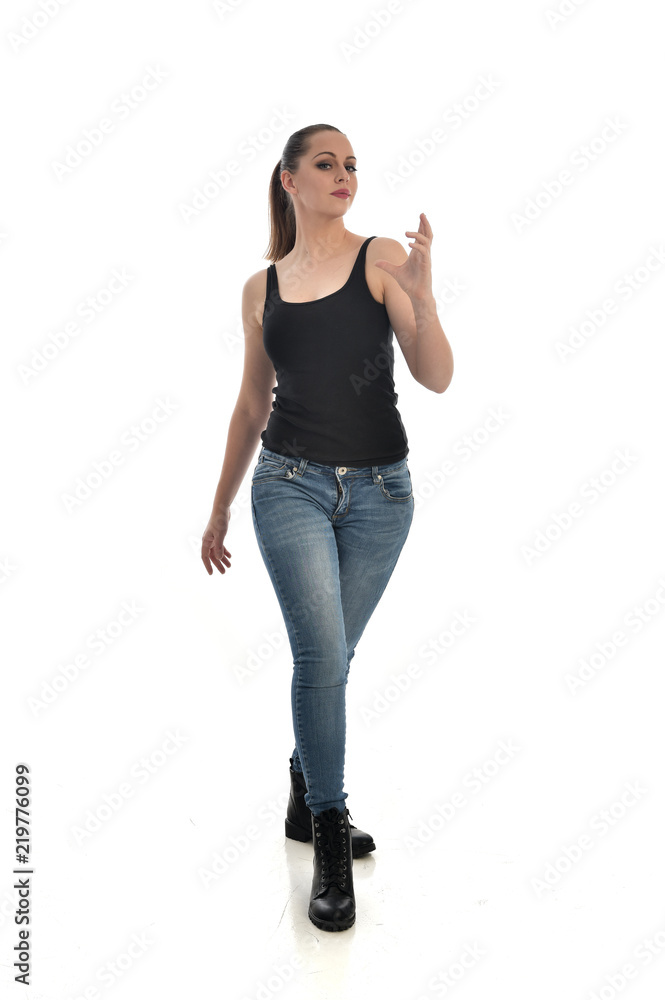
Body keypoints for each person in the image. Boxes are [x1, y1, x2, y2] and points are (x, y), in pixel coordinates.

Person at [201, 123, 453, 932]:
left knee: (332, 657)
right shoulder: (260, 287)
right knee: (320, 658)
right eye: (325, 163)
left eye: (351, 164)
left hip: (383, 494)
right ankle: (331, 830)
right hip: (288, 486)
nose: (344, 174)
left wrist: (425, 294)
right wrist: (216, 507)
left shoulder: (381, 257)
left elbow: (436, 377)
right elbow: (249, 404)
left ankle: (301, 790)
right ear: (289, 181)